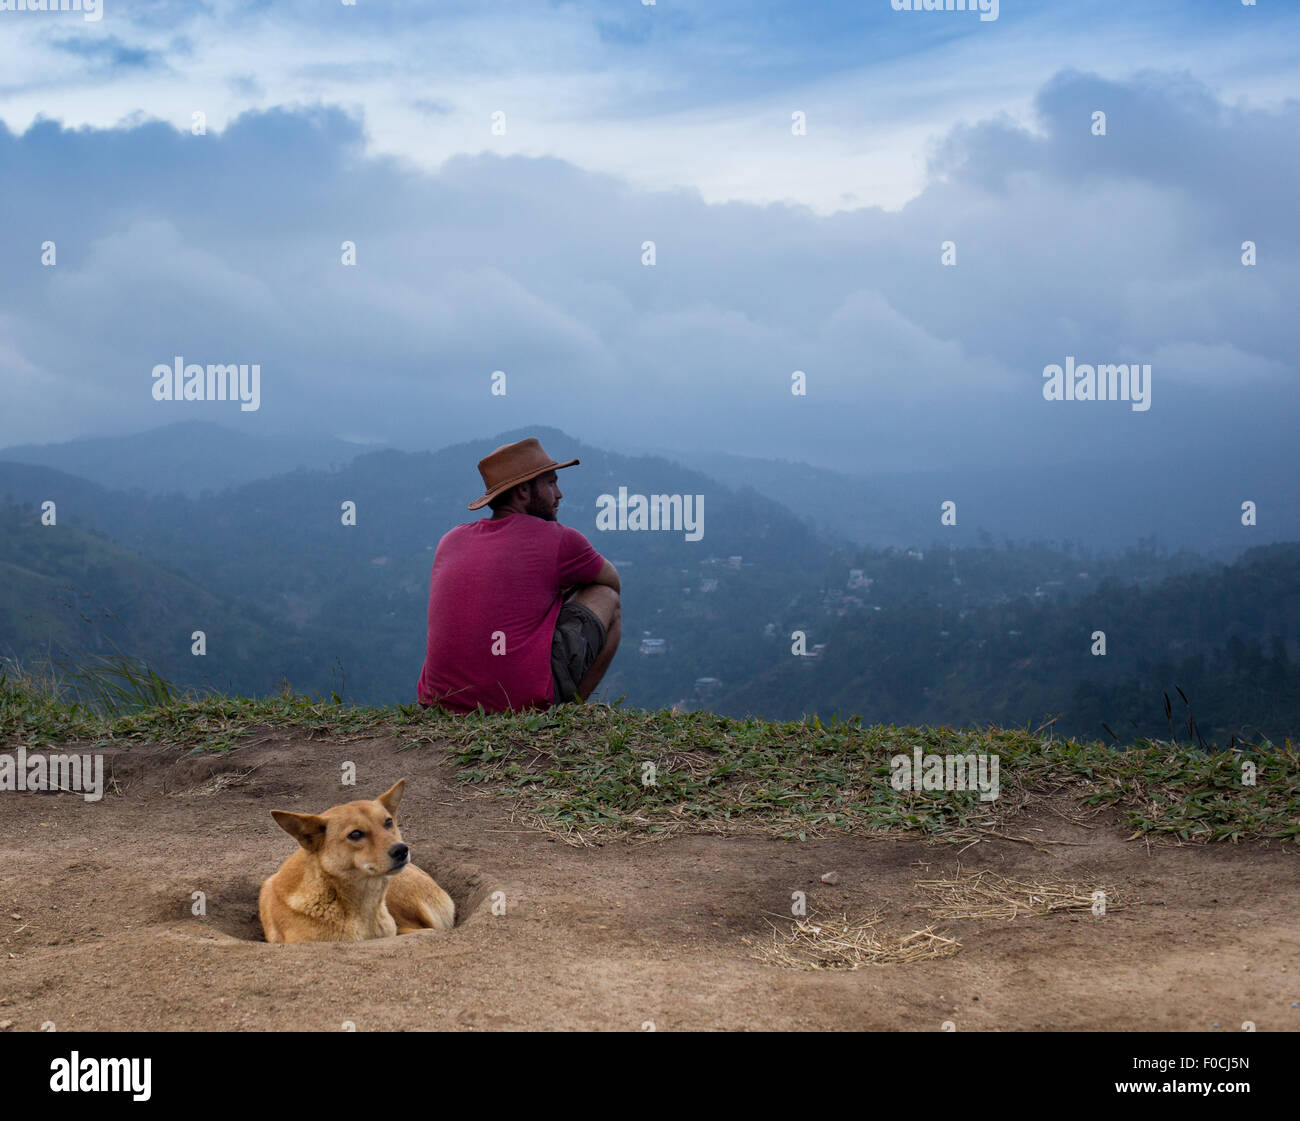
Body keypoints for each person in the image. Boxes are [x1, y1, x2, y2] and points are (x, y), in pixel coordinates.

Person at [416, 437, 622, 713]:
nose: (559, 494)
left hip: (441, 704)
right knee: (607, 599)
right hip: (517, 704)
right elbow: (611, 582)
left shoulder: (450, 539)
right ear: (524, 491)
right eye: (550, 483)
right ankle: (568, 715)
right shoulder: (559, 539)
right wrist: (561, 593)